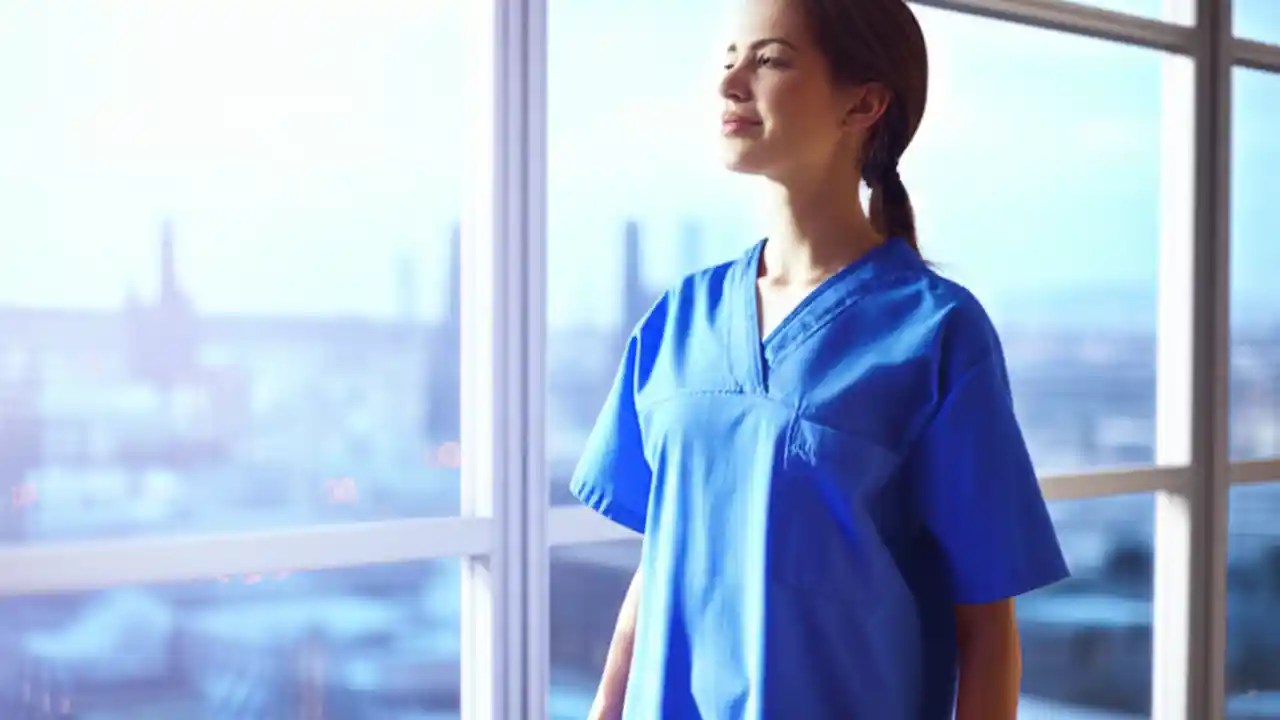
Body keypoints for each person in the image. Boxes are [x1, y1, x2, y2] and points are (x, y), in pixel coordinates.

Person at [569, 0, 1070, 717]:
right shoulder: (679, 320)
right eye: (727, 60)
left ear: (863, 103)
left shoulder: (934, 333)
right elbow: (664, 565)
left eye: (769, 60)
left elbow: (986, 626)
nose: (730, 82)